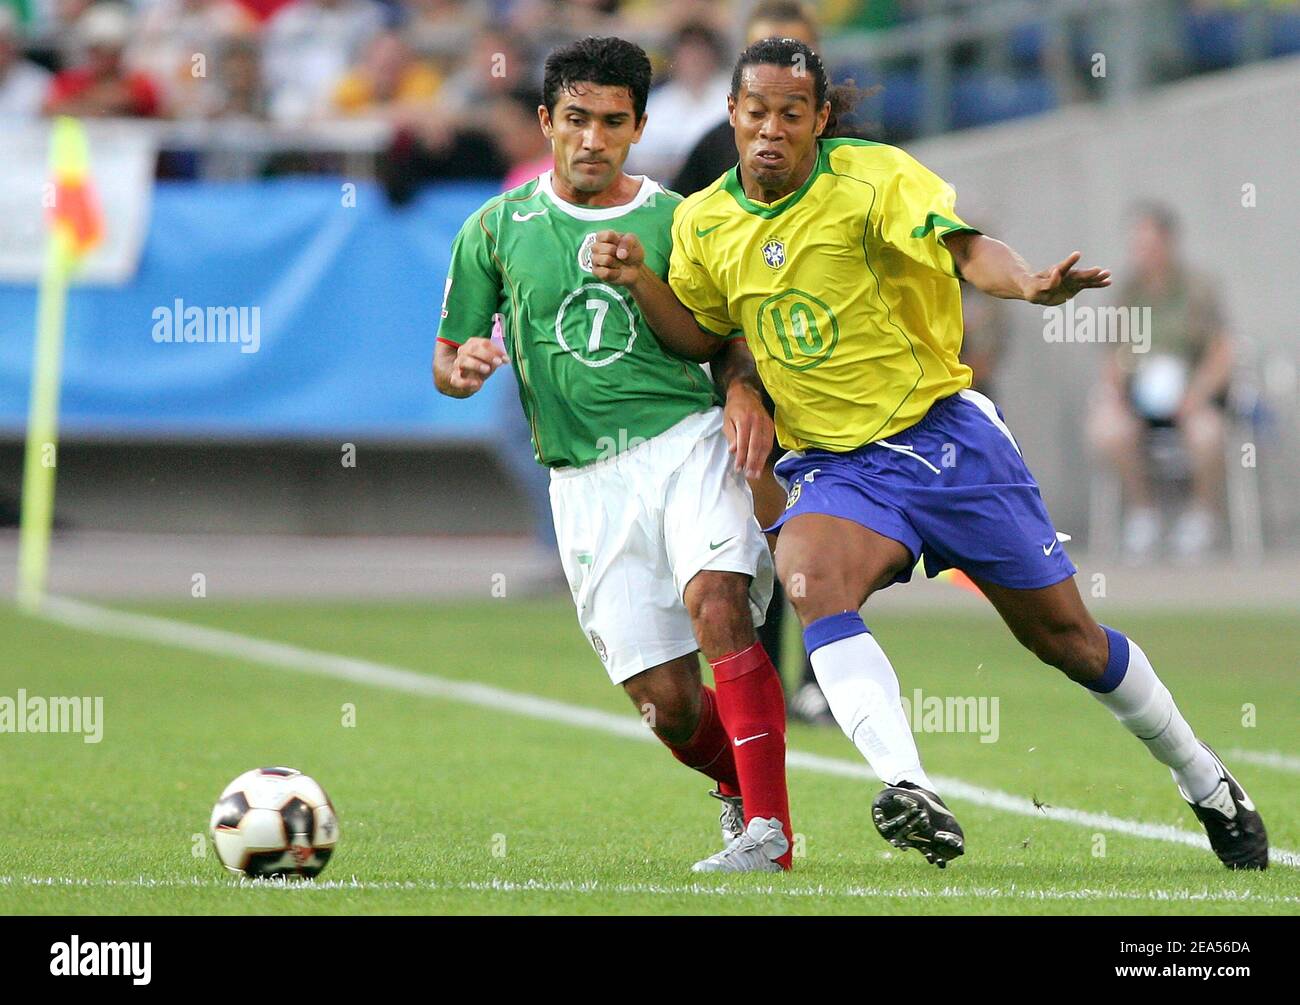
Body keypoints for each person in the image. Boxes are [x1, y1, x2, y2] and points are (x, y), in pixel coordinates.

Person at [590, 37, 1268, 871]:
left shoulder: (874, 178)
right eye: (756, 112)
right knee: (807, 570)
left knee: (1070, 640)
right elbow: (704, 332)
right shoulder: (704, 221)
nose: (771, 130)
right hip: (838, 467)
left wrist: (1029, 286)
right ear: (732, 114)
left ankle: (1205, 778)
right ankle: (908, 785)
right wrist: (643, 283)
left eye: (791, 115)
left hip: (945, 440)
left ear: (821, 119)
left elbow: (967, 249)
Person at [433, 37, 793, 873]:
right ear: (544, 123)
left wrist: (740, 389)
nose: (592, 139)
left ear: (637, 128)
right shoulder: (494, 229)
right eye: (575, 120)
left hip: (684, 444)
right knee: (667, 705)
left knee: (719, 602)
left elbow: (729, 339)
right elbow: (447, 358)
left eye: (612, 122)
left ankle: (771, 836)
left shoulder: (679, 220)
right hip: (584, 480)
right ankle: (741, 787)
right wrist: (465, 367)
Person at [1087, 204, 1233, 560]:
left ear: (1168, 242)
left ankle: (1200, 517)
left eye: (1150, 244)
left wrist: (1195, 395)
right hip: (1139, 398)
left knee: (1208, 434)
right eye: (1137, 245)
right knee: (1107, 429)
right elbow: (1113, 354)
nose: (1143, 253)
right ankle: (1143, 513)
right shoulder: (1126, 293)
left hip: (1189, 397)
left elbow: (1221, 351)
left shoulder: (1198, 289)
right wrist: (1118, 391)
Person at [44, 4, 162, 118]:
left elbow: (157, 111)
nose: (103, 58)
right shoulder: (69, 81)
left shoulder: (140, 83)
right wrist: (98, 103)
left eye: (109, 50)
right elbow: (49, 109)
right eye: (97, 50)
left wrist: (86, 102)